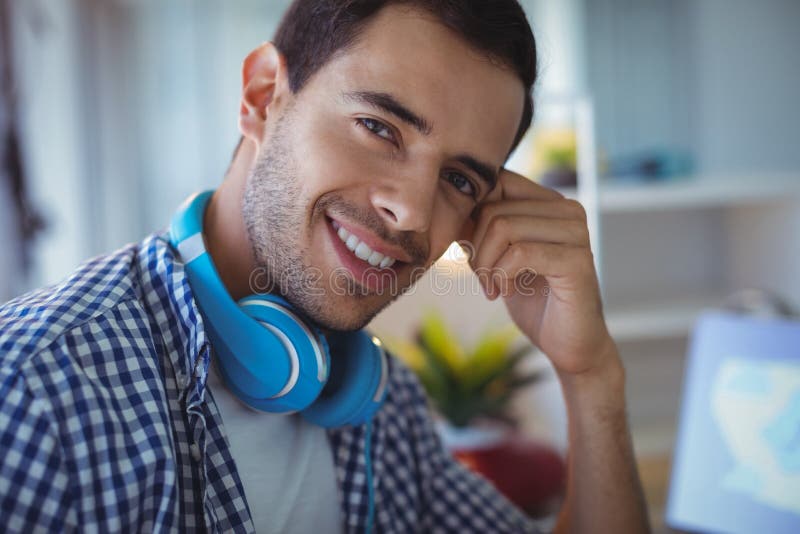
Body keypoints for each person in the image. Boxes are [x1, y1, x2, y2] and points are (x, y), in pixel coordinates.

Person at [0, 1, 650, 532]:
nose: (413, 214)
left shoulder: (381, 403)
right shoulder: (31, 391)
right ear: (262, 96)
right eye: (380, 127)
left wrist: (589, 373)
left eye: (457, 179)